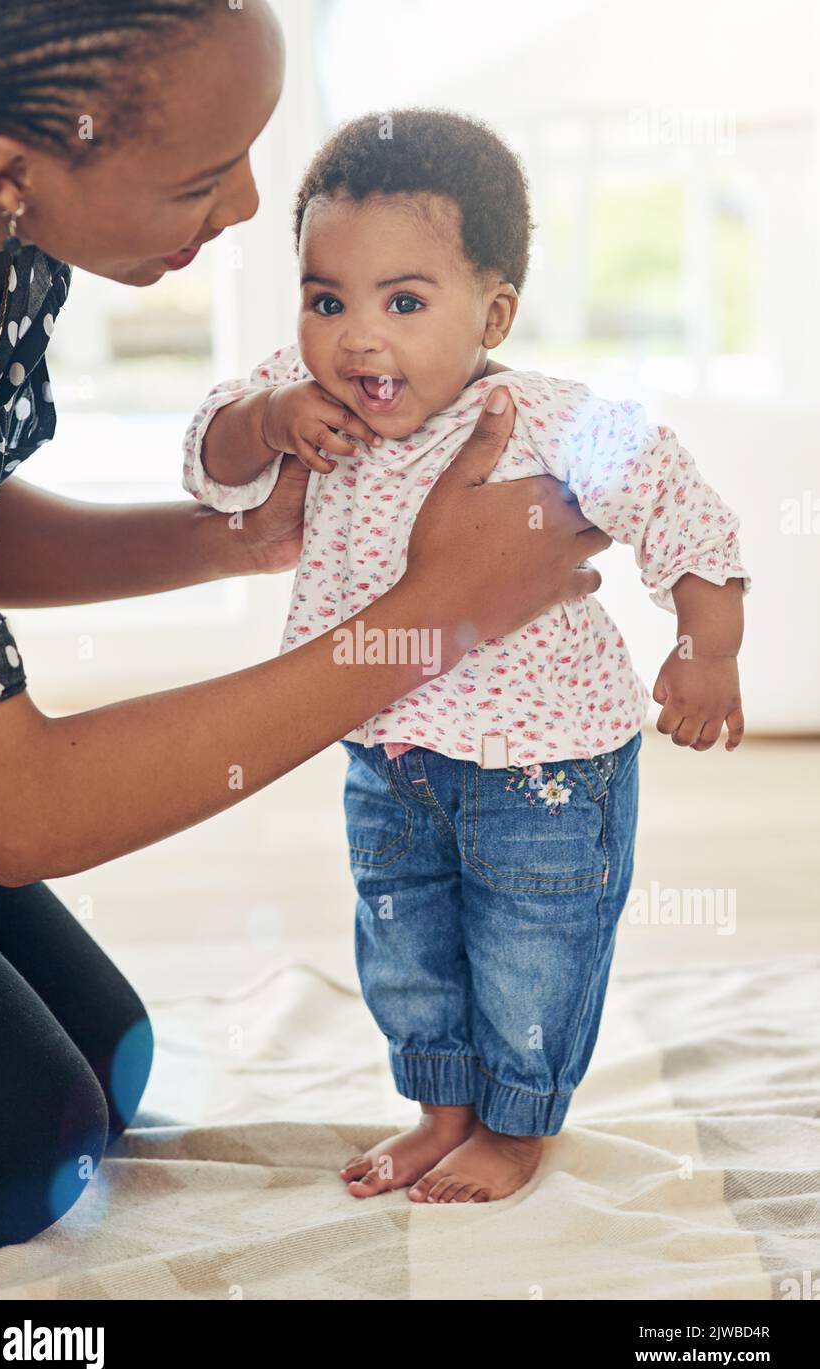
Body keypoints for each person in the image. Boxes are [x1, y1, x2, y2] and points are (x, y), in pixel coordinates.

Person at [0, 3, 611, 1260]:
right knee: (25, 1159)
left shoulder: (5, 249)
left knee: (110, 1058)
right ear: (10, 173)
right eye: (203, 177)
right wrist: (427, 622)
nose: (252, 204)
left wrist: (234, 540)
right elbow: (16, 805)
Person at [182, 109, 749, 1203]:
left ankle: (516, 1120)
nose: (358, 338)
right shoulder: (307, 407)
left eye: (404, 301)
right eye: (325, 300)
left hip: (545, 767)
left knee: (533, 947)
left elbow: (680, 499)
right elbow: (210, 460)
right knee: (406, 943)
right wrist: (264, 418)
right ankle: (441, 1104)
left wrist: (705, 644)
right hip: (388, 753)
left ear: (492, 311)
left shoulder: (541, 415)